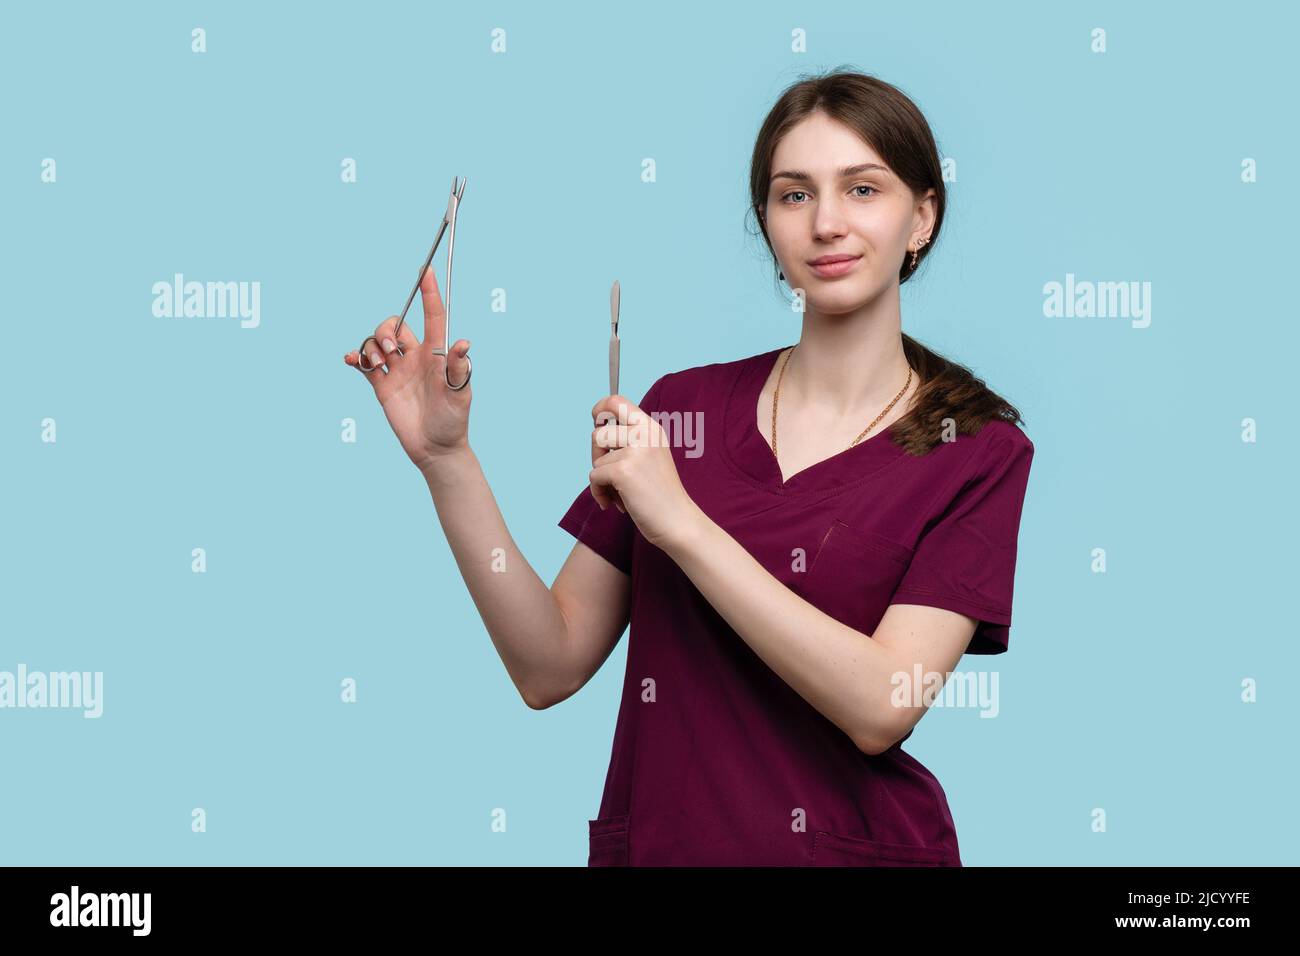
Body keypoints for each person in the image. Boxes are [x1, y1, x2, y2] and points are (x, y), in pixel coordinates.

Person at [343, 69, 1034, 867]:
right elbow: (548, 665)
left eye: (864, 189)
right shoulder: (683, 410)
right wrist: (446, 459)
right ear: (768, 223)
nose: (828, 223)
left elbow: (884, 705)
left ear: (922, 217)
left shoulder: (977, 450)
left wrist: (681, 524)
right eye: (795, 194)